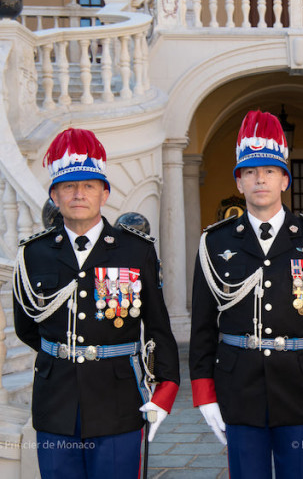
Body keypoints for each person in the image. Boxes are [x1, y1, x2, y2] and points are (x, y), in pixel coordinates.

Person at [189, 110, 303, 479]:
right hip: (237, 385)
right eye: (250, 172)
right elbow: (202, 324)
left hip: (299, 384)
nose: (259, 179)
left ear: (284, 180)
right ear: (239, 183)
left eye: (268, 171)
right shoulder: (214, 242)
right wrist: (203, 391)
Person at [13, 128, 180, 479]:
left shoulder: (136, 249)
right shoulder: (34, 252)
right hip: (56, 400)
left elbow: (157, 324)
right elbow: (27, 325)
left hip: (118, 398)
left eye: (89, 186)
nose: (78, 194)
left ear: (104, 193)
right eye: (68, 187)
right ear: (55, 196)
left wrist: (165, 389)